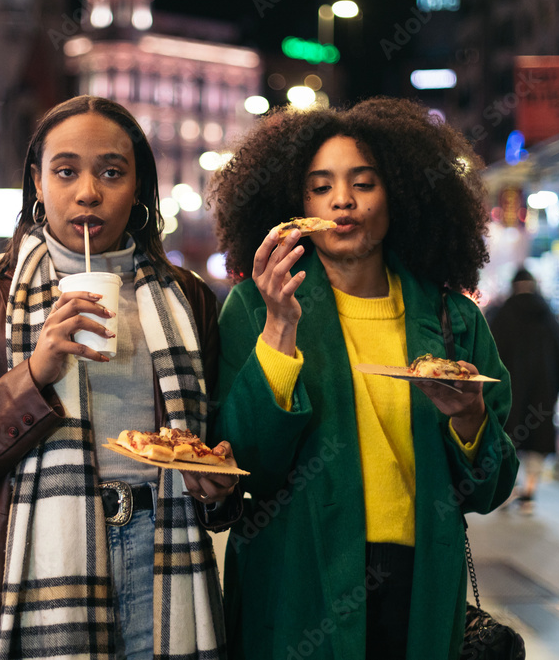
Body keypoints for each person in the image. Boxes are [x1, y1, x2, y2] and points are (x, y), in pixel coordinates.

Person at [0, 95, 240, 660]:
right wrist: (34, 375)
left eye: (112, 171)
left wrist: (217, 487)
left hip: (162, 560)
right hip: (30, 568)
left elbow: (221, 471)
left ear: (137, 188)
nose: (88, 191)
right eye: (66, 171)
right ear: (37, 181)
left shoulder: (189, 300)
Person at [207, 97, 519, 660]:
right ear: (295, 202)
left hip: (418, 581)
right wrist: (280, 327)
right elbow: (246, 457)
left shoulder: (454, 320)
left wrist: (470, 417)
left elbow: (489, 490)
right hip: (296, 579)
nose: (342, 201)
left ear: (398, 193)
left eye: (363, 183)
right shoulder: (256, 307)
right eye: (320, 186)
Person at [488, 268, 559, 514]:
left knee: (509, 438)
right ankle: (529, 494)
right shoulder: (547, 314)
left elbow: (490, 354)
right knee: (537, 440)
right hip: (542, 391)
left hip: (508, 392)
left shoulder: (502, 314)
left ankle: (508, 491)